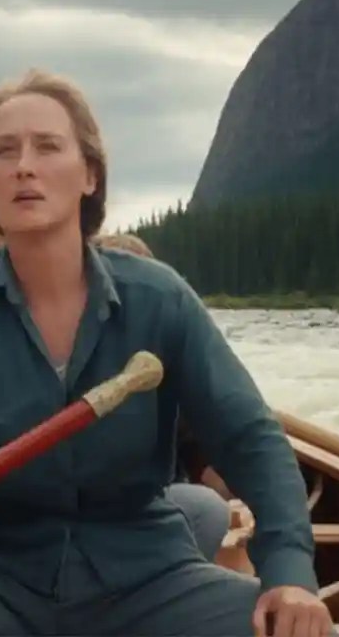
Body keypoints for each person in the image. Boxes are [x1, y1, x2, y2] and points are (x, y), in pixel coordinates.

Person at [0, 69, 333, 637]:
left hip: (146, 575)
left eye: (47, 146)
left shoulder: (160, 299)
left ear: (89, 175)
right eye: (4, 151)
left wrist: (290, 575)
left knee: (291, 631)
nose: (24, 165)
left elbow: (252, 441)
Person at [90, 231, 233, 562]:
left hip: (150, 506)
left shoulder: (173, 363)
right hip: (72, 513)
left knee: (209, 509)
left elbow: (212, 473)